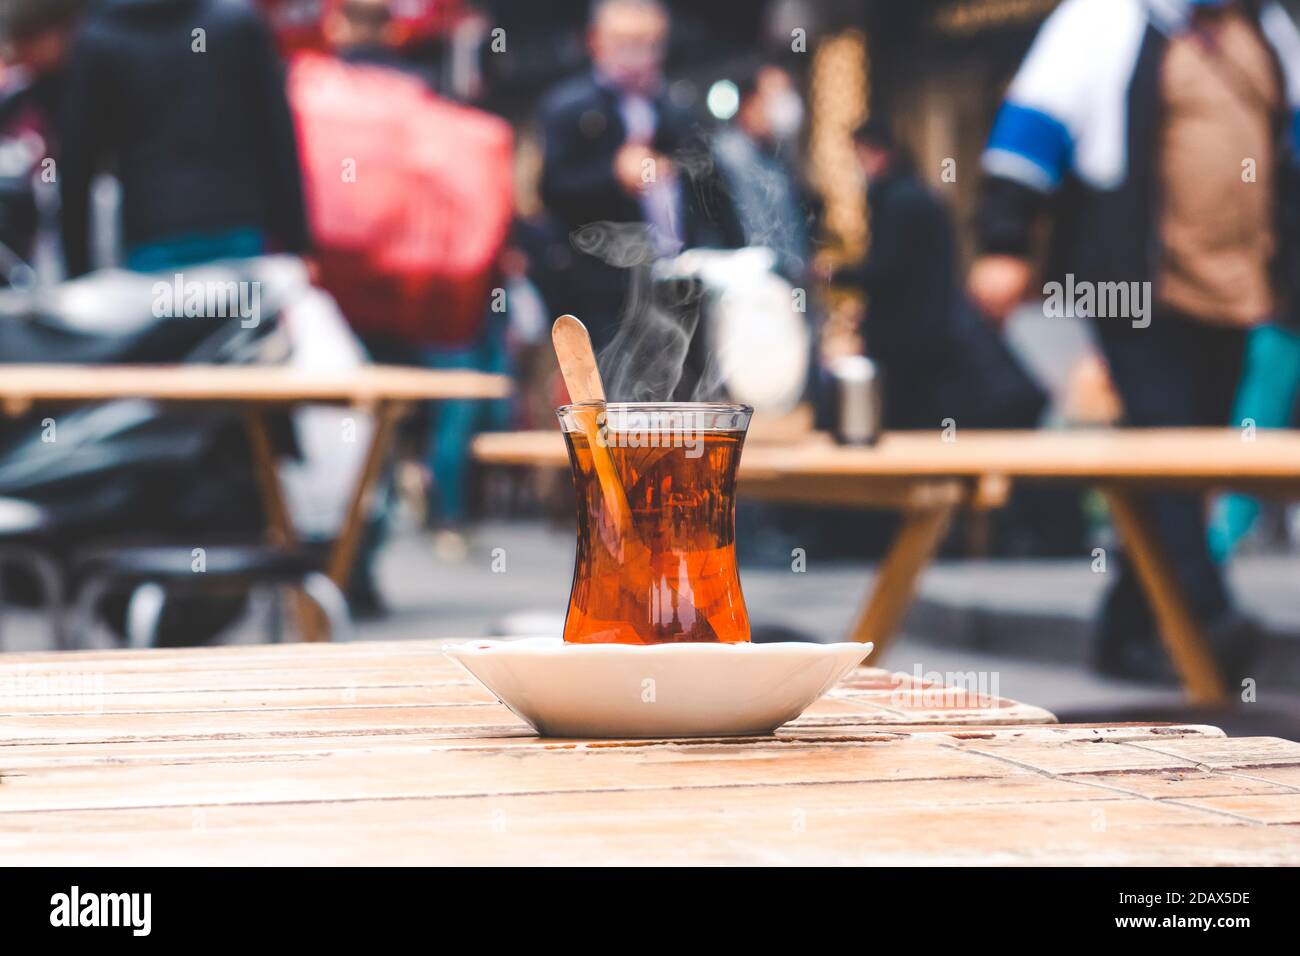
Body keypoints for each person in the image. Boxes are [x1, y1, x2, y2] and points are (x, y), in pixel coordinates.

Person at [968, 0, 1300, 682]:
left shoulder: (1267, 30)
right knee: (1164, 439)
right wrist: (1004, 239)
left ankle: (1126, 628)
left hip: (1236, 292)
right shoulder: (1105, 18)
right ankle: (1208, 614)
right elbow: (1034, 123)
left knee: (1186, 461)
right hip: (1137, 290)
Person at [58, 0, 309, 276]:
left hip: (151, 235)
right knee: (239, 319)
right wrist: (298, 244)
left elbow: (77, 162)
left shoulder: (100, 35)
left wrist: (77, 270)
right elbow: (276, 137)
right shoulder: (239, 21)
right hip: (238, 230)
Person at [832, 118, 1045, 432]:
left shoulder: (900, 203)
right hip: (931, 337)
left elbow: (888, 272)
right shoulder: (919, 195)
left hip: (913, 345)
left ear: (877, 153)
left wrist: (834, 274)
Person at [536, 0, 702, 348]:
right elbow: (551, 190)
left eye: (648, 44)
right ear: (595, 40)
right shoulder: (568, 107)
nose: (637, 54)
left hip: (676, 283)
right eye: (624, 42)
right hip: (600, 291)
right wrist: (613, 176)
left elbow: (704, 188)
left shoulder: (675, 107)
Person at [707, 61, 813, 284]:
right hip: (756, 289)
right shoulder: (730, 157)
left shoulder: (775, 157)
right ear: (748, 104)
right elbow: (756, 235)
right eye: (775, 97)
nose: (784, 107)